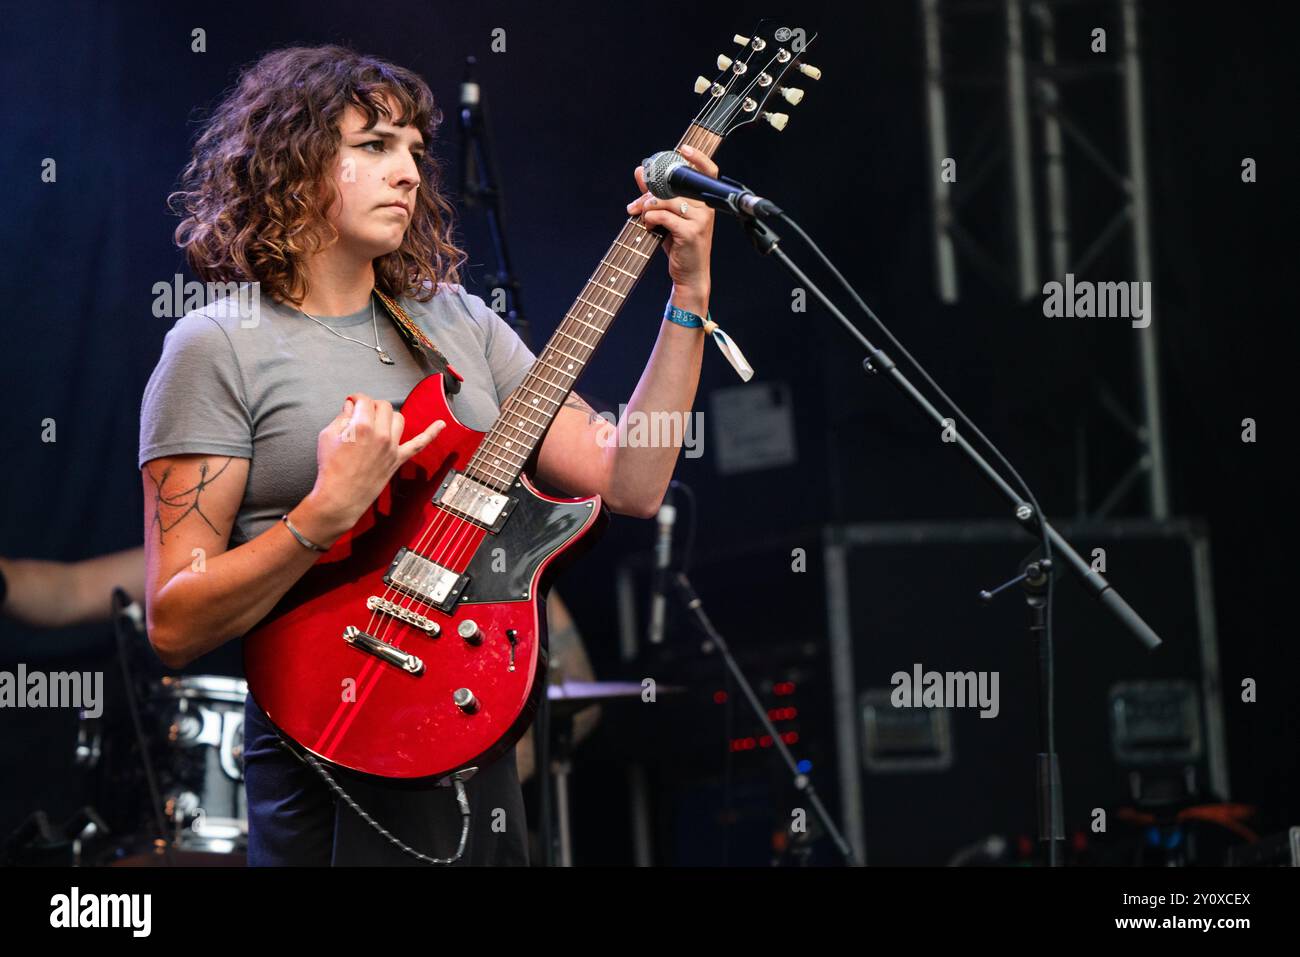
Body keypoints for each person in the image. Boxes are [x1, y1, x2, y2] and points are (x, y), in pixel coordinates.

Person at [138, 45, 713, 865]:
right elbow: (173, 620)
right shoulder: (217, 345)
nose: (408, 171)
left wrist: (687, 297)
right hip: (330, 730)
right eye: (374, 145)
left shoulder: (459, 322)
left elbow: (632, 479)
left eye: (414, 149)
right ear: (289, 162)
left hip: (467, 725)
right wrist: (322, 515)